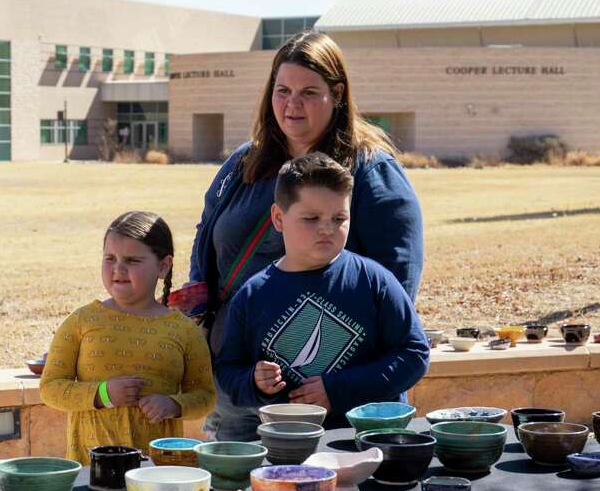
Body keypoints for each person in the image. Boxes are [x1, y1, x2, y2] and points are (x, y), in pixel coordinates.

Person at [187, 31, 424, 442]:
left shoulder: (372, 172)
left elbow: (396, 290)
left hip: (338, 400)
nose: (292, 104)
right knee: (242, 481)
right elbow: (206, 238)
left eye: (309, 92)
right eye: (282, 90)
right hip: (242, 388)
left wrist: (344, 385)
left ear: (337, 93)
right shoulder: (244, 163)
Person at [214, 154, 429, 428]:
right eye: (311, 218)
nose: (326, 229)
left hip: (369, 438)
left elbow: (414, 353)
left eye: (339, 218)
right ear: (278, 218)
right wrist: (253, 381)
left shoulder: (374, 280)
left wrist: (340, 390)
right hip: (291, 441)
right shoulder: (252, 295)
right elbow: (228, 371)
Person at [40, 211, 216, 465]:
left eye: (132, 260)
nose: (118, 269)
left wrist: (174, 405)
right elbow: (50, 388)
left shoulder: (184, 330)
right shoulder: (82, 321)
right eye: (110, 258)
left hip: (157, 471)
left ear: (163, 266)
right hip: (91, 470)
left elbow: (205, 396)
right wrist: (103, 393)